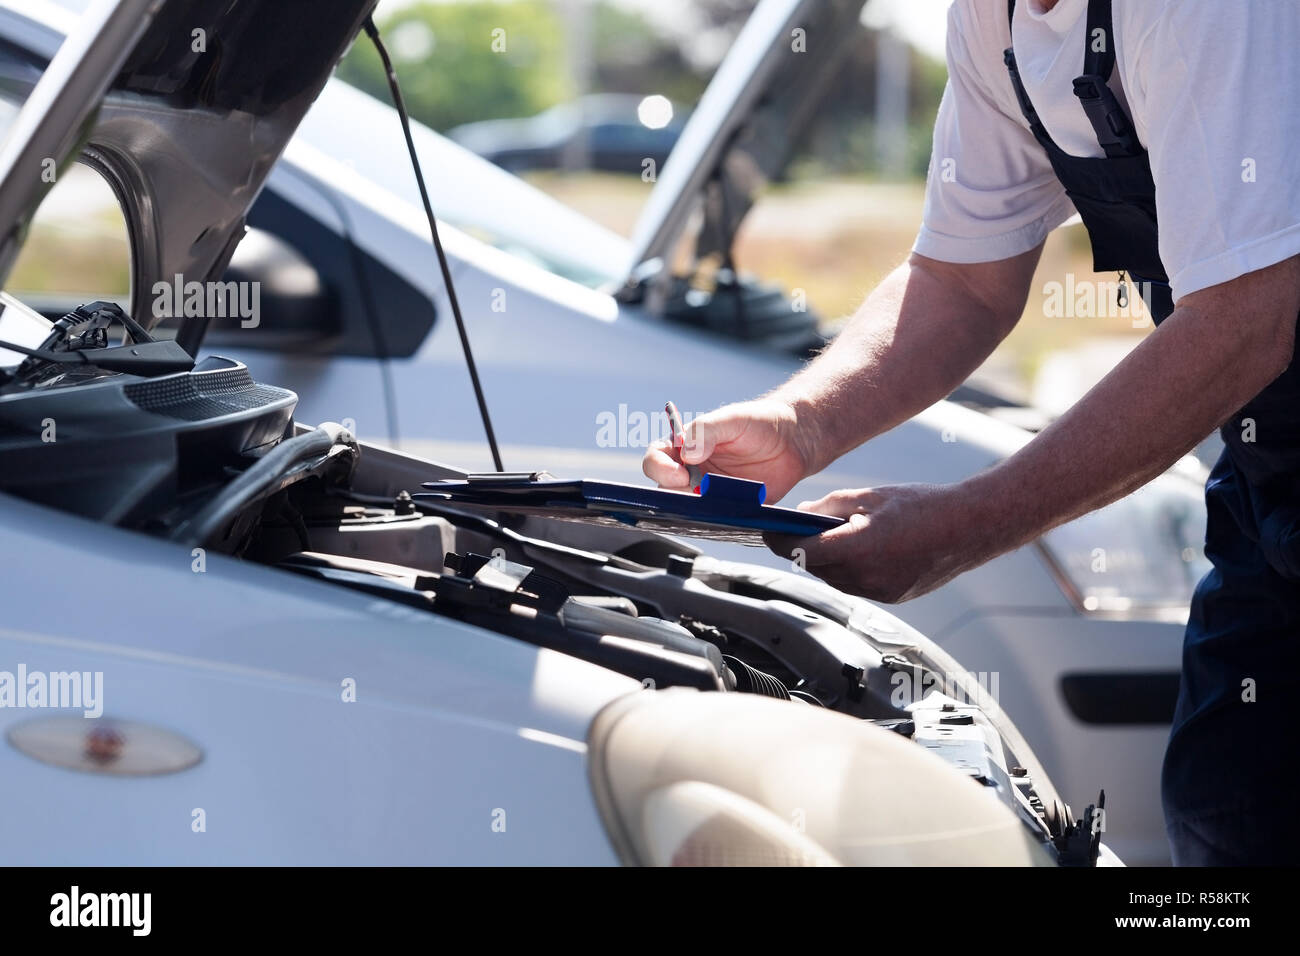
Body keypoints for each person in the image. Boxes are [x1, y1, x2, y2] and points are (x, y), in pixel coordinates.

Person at [643, 0, 1300, 866]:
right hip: (1270, 494)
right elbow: (963, 279)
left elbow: (1251, 314)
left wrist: (967, 525)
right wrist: (799, 425)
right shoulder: (993, 21)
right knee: (1229, 811)